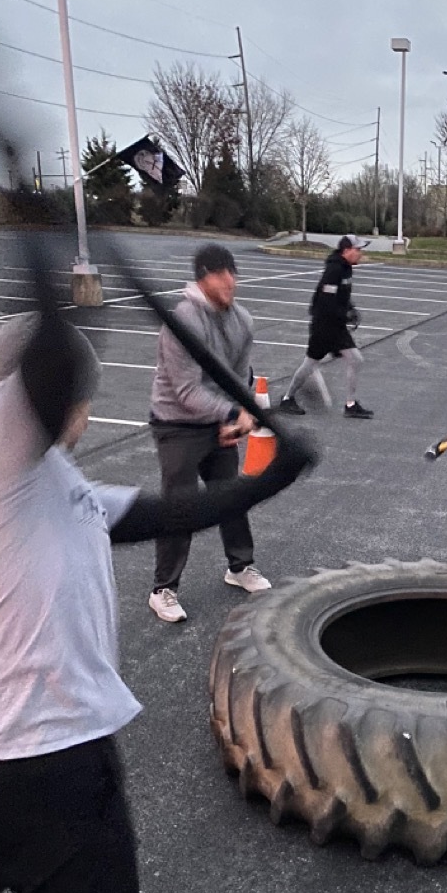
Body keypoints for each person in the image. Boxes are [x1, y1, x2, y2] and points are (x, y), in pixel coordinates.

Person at [0, 298, 315, 893]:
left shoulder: (41, 477)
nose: (86, 414)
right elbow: (47, 356)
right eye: (81, 400)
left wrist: (274, 476)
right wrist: (60, 249)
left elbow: (160, 515)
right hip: (52, 761)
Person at [149, 243, 271, 624]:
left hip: (217, 420)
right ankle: (163, 589)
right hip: (176, 425)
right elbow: (187, 392)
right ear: (202, 278)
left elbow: (238, 378)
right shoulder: (183, 322)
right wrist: (233, 412)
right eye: (220, 273)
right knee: (180, 503)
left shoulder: (242, 320)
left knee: (230, 495)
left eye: (233, 272)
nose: (230, 281)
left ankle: (240, 566)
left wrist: (237, 418)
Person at [279, 234, 373, 419]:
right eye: (358, 249)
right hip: (323, 327)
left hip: (336, 326)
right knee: (310, 363)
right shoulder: (334, 270)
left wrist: (350, 308)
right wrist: (345, 314)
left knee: (356, 360)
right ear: (346, 251)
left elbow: (342, 295)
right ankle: (287, 398)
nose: (360, 253)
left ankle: (351, 405)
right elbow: (325, 302)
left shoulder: (346, 268)